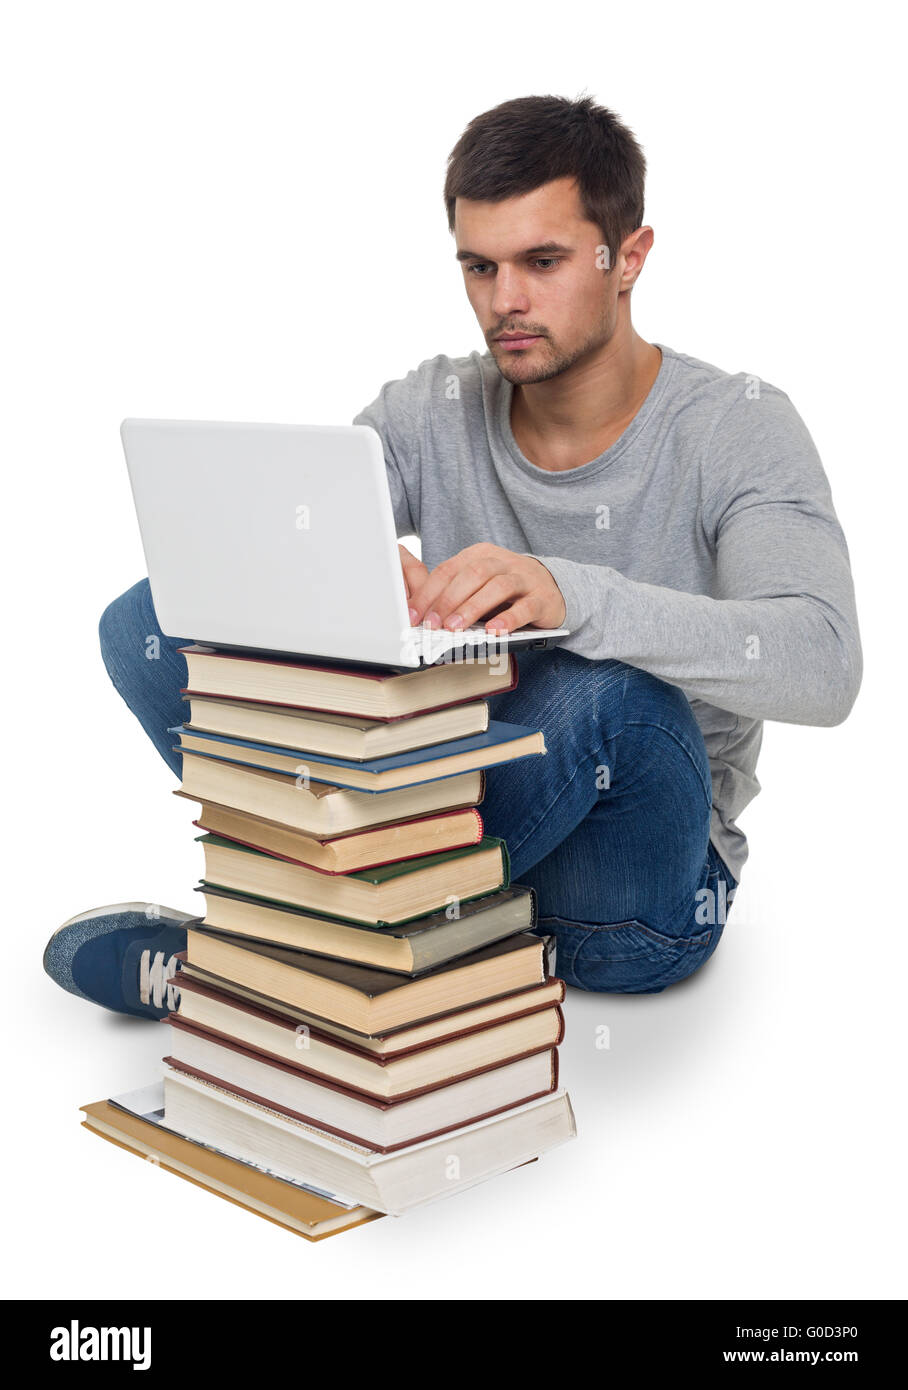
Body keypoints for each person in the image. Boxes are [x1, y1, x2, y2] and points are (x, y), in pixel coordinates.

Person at [43, 94, 861, 1019]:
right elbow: (288, 528)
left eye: (542, 262)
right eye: (480, 266)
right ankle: (384, 940)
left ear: (627, 258)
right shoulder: (433, 405)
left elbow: (823, 665)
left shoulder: (738, 425)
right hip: (455, 814)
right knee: (150, 618)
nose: (504, 300)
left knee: (610, 697)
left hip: (621, 896)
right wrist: (334, 572)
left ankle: (275, 949)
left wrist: (572, 595)